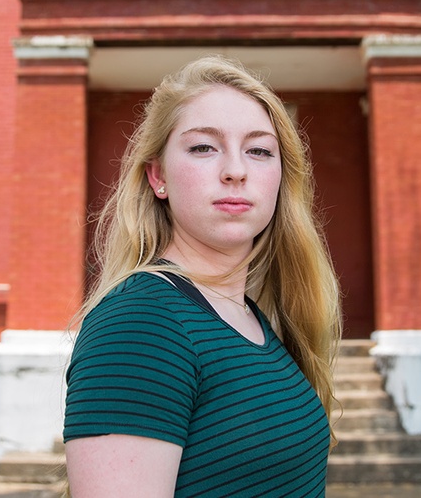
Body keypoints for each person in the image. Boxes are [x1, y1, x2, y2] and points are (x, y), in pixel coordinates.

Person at [63, 56, 342, 497]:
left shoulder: (247, 315)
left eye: (259, 150)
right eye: (203, 147)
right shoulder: (142, 324)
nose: (236, 170)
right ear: (159, 177)